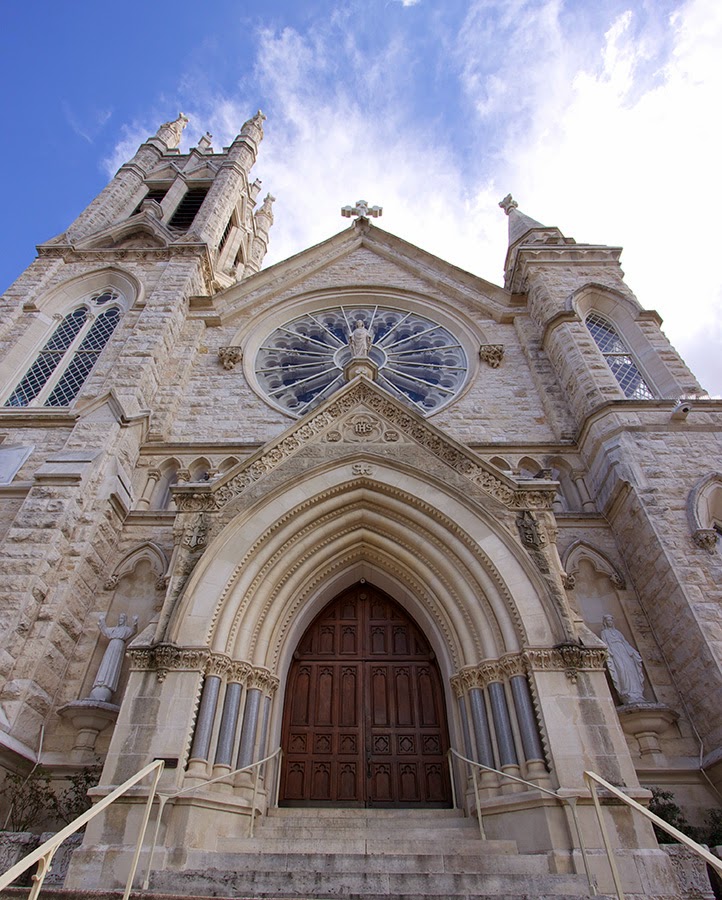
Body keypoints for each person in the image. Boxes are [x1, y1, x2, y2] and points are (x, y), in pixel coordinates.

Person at [89, 613, 139, 703]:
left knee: (112, 667)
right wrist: (102, 620)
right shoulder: (113, 630)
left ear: (125, 620)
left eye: (122, 618)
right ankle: (99, 687)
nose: (120, 620)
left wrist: (135, 622)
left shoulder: (126, 630)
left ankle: (105, 690)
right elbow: (105, 630)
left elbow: (133, 631)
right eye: (120, 618)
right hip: (111, 647)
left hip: (119, 648)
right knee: (105, 665)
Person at [600, 614, 645, 704]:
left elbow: (625, 642)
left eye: (611, 620)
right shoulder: (604, 633)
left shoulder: (618, 632)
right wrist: (610, 651)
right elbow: (605, 644)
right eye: (608, 621)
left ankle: (636, 692)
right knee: (621, 670)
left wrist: (632, 651)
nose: (610, 622)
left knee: (630, 669)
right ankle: (625, 691)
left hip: (623, 651)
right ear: (605, 622)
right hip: (614, 652)